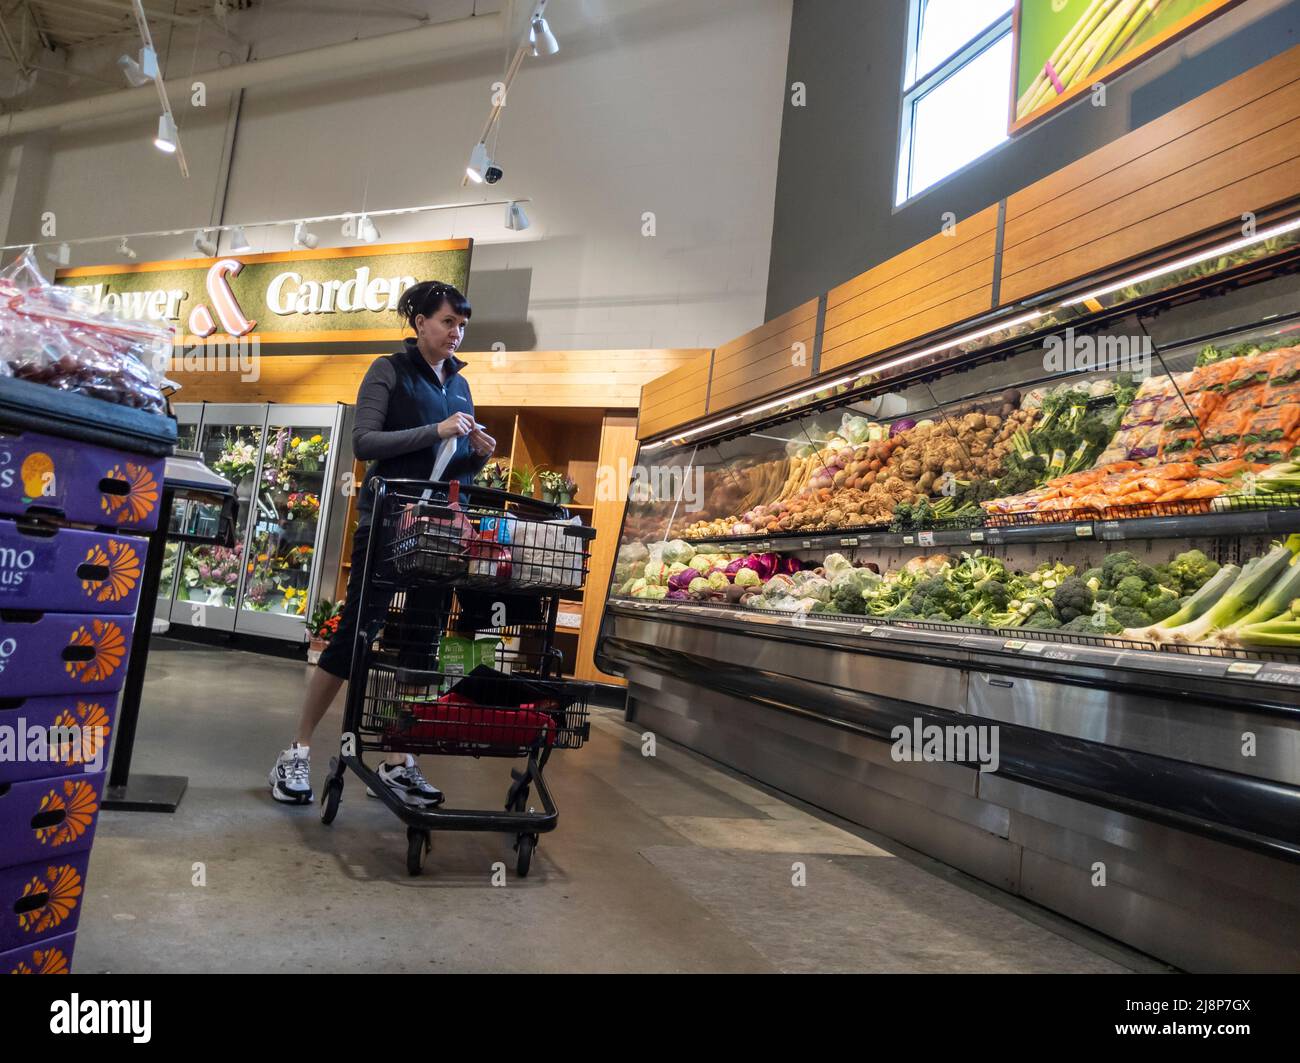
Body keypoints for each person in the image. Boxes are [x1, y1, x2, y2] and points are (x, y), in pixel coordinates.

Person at [269, 281, 494, 805]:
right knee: (354, 636)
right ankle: (297, 751)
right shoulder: (387, 370)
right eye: (446, 322)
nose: (456, 333)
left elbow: (449, 467)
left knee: (421, 642)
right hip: (388, 524)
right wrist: (436, 430)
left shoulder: (460, 385)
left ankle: (398, 758)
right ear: (418, 322)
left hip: (435, 532)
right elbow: (365, 443)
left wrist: (477, 454)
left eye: (462, 325)